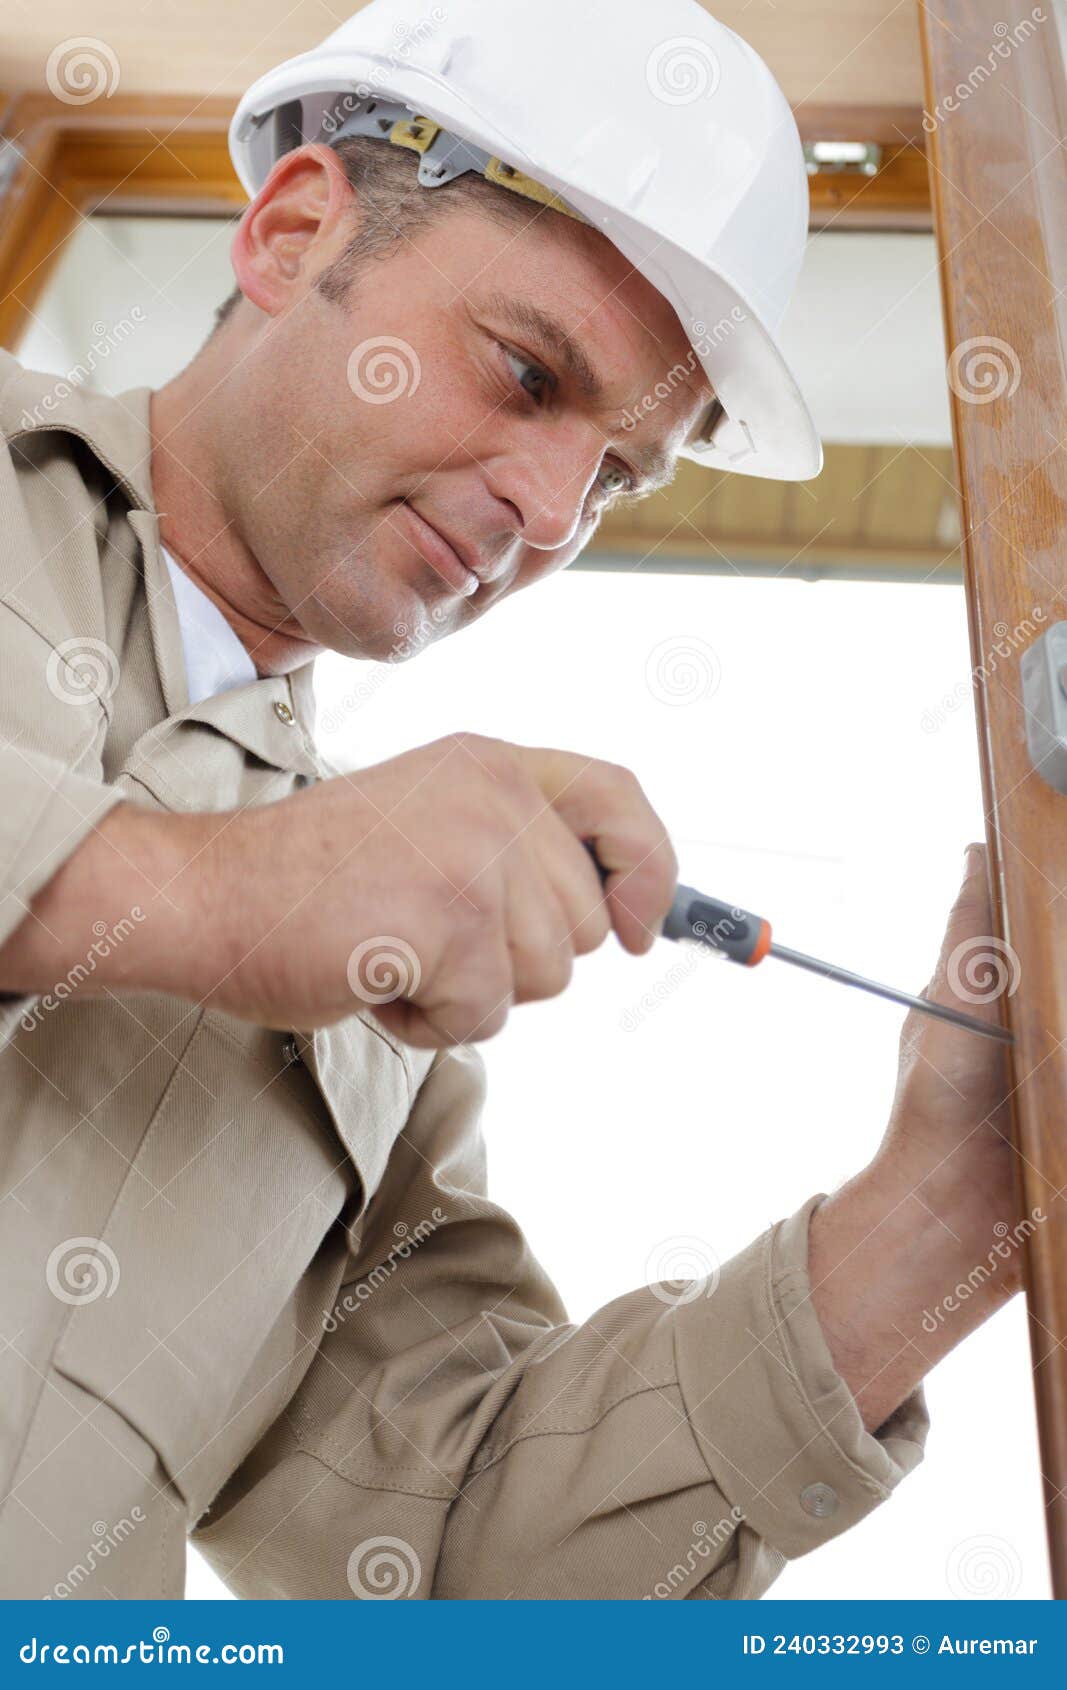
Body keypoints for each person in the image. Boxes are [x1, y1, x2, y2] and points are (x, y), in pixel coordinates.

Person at [0, 0, 1020, 1599]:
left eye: (617, 475)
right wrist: (227, 899)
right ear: (294, 229)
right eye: (529, 373)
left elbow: (462, 1560)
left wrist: (946, 1206)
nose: (548, 513)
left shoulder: (366, 1041)